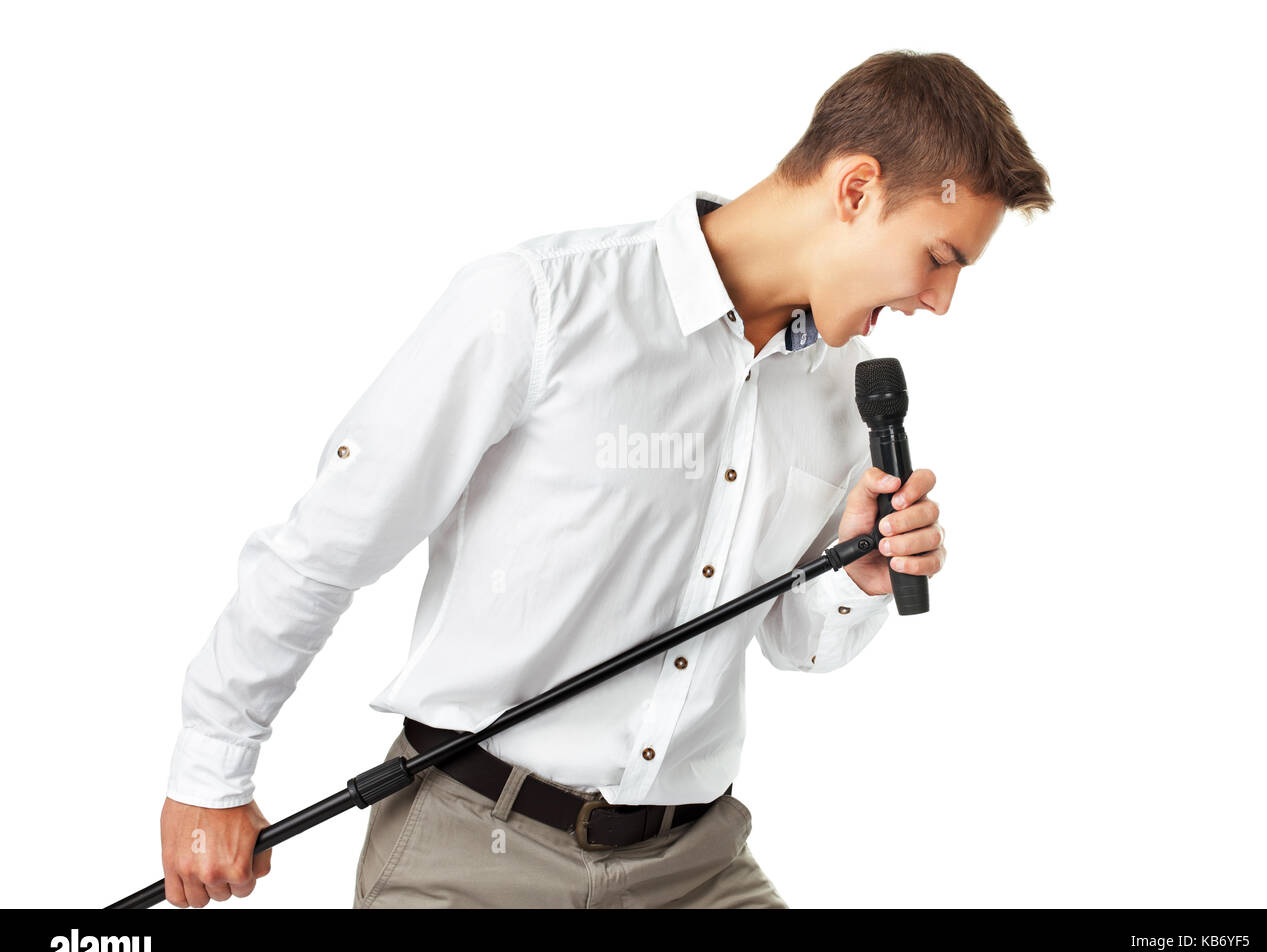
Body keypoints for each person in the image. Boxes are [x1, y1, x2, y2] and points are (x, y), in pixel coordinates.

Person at [158, 49, 1052, 908]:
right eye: (941, 258)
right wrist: (212, 768)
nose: (939, 302)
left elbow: (793, 642)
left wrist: (856, 577)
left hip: (696, 865)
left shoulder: (837, 388)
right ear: (856, 190)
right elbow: (327, 545)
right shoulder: (540, 304)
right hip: (473, 853)